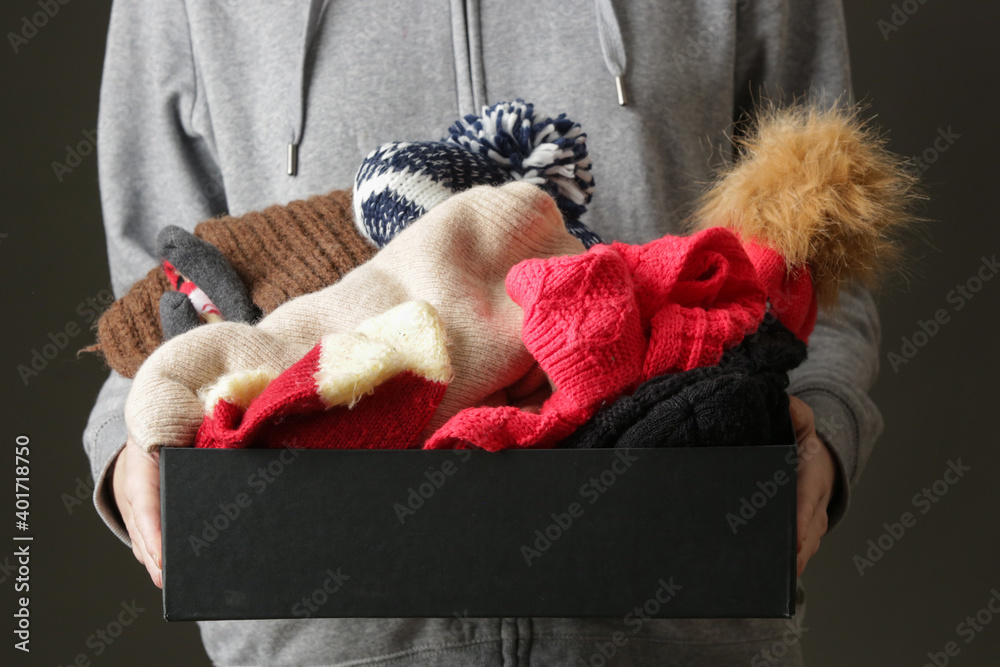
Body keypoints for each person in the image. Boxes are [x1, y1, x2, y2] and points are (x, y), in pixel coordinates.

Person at [84, 1, 878, 664]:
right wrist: (127, 452)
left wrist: (826, 434)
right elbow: (147, 305)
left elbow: (822, 246)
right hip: (326, 632)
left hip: (673, 618)